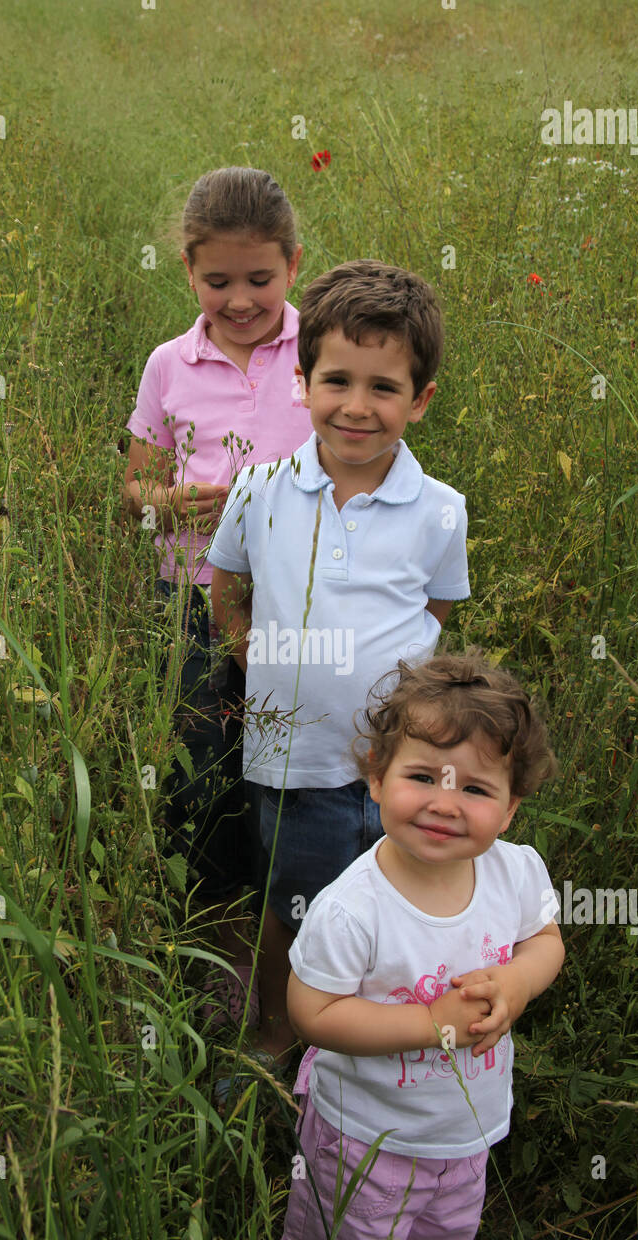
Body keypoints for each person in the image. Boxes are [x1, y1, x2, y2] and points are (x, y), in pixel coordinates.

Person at [208, 260, 469, 1064]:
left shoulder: (439, 509)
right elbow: (227, 584)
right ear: (303, 382)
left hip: (403, 765)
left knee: (397, 902)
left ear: (419, 401)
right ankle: (279, 1028)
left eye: (384, 388)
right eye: (337, 381)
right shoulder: (259, 491)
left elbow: (435, 610)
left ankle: (372, 1030)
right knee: (293, 905)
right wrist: (253, 654)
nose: (357, 407)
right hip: (296, 761)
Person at [277, 650, 565, 1240]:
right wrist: (430, 1024)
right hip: (364, 1138)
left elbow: (546, 940)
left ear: (511, 808)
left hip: (465, 1133)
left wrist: (518, 983)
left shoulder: (514, 874)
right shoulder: (354, 909)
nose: (444, 803)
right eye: (422, 777)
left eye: (475, 788)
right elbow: (312, 1012)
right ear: (375, 778)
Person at [121, 168, 310, 1020]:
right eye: (218, 281)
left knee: (286, 762)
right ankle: (210, 923)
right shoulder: (171, 364)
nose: (240, 301)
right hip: (191, 596)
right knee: (201, 754)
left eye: (260, 281)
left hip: (299, 602)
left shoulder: (319, 350)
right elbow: (137, 485)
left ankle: (293, 913)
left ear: (293, 267)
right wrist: (165, 503)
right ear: (189, 271)